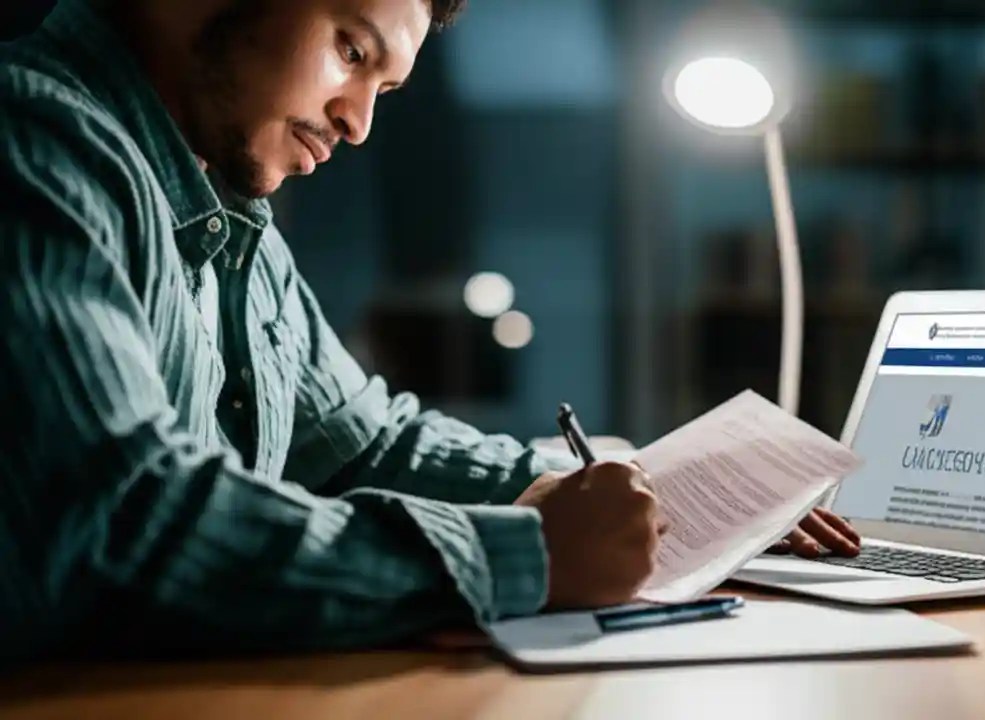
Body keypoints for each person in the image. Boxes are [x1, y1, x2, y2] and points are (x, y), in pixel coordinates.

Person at [0, 0, 861, 662]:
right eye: (351, 49)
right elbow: (118, 525)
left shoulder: (227, 215)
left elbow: (361, 446)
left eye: (384, 87)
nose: (358, 122)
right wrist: (527, 557)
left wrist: (646, 494)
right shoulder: (33, 148)